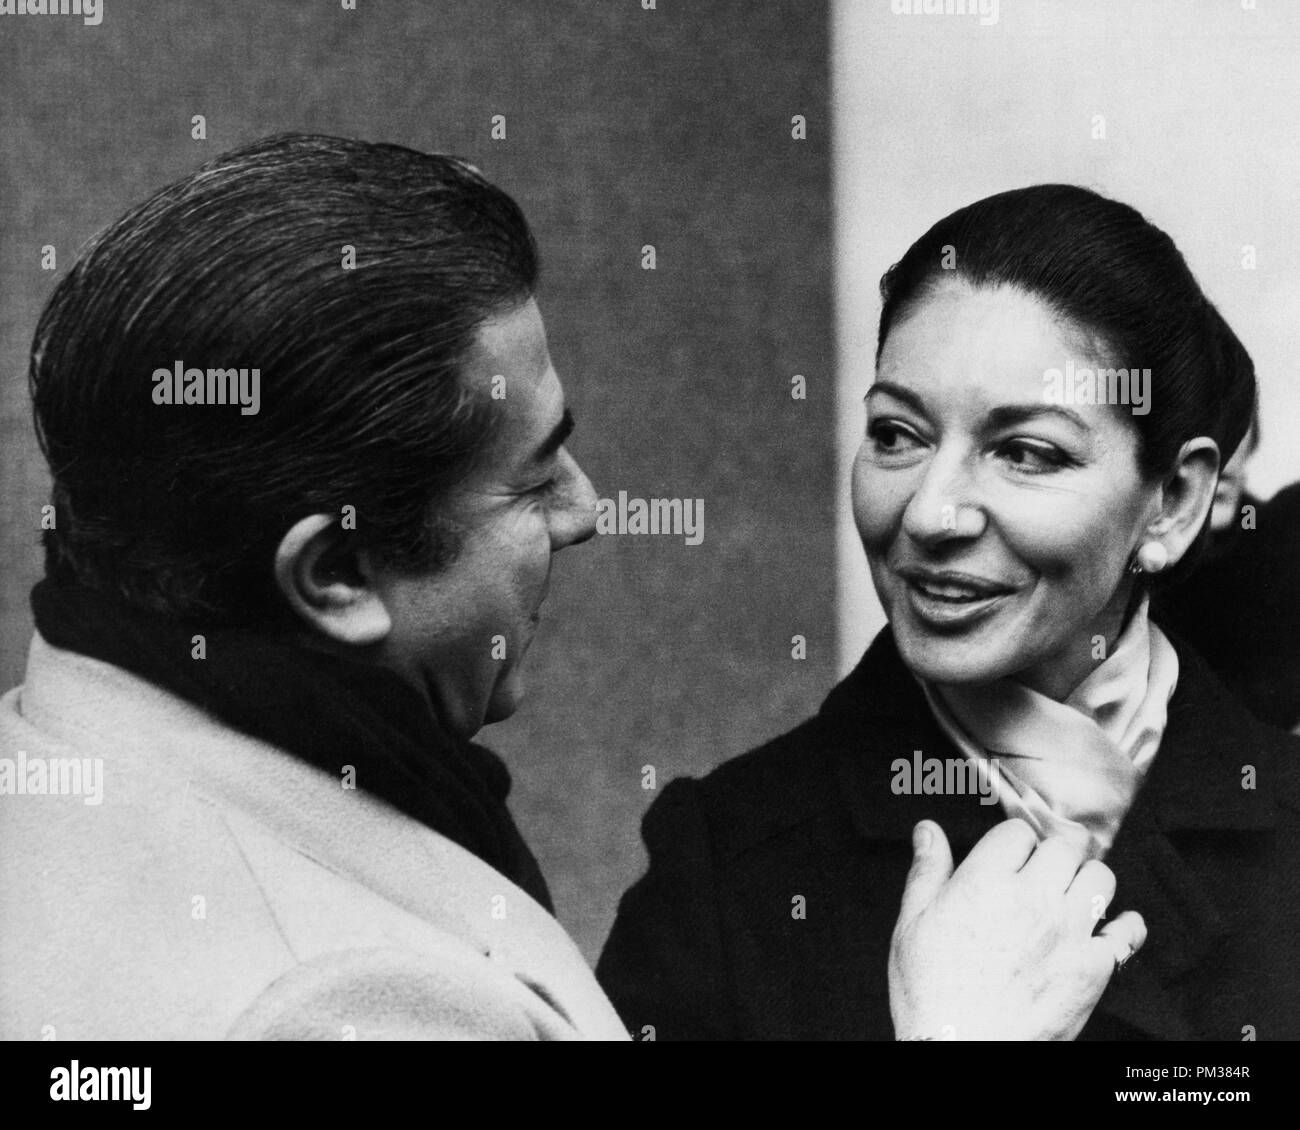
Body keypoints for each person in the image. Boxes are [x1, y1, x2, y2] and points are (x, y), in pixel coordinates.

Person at [0, 142, 1142, 1041]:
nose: (587, 510)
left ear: (1177, 499)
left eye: (1029, 450)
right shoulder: (339, 1003)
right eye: (534, 474)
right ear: (337, 572)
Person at [597, 184, 1300, 1040]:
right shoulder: (725, 865)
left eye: (1025, 452)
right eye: (897, 434)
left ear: (1175, 502)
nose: (929, 514)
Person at [1152, 355, 1300, 730]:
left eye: (1238, 417)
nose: (1226, 448)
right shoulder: (1121, 556)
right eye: (1205, 418)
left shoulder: (1280, 537)